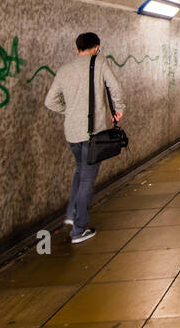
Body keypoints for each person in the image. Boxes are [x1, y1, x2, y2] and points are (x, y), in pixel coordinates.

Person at [43, 32, 125, 244]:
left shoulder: (64, 69)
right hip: (92, 134)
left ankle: (71, 216)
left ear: (76, 47)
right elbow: (114, 87)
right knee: (87, 178)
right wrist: (119, 109)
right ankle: (79, 229)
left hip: (71, 133)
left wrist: (70, 112)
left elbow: (50, 101)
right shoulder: (99, 62)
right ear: (97, 47)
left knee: (80, 170)